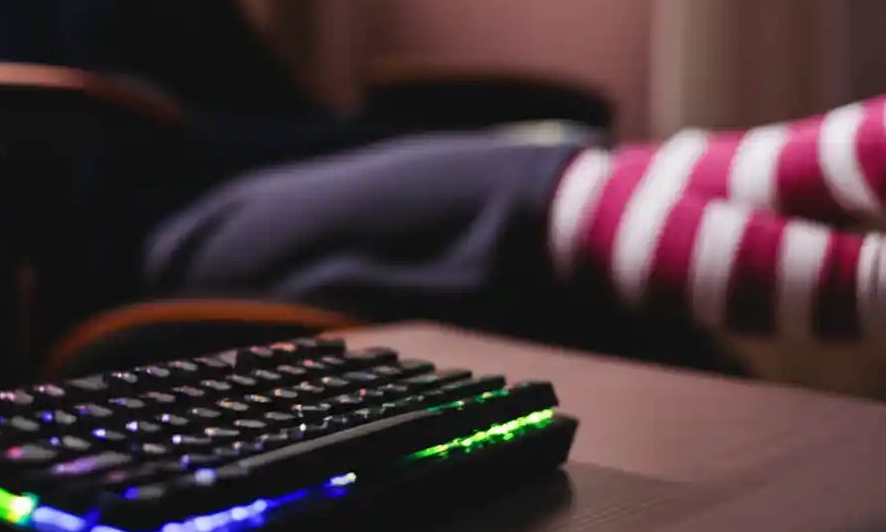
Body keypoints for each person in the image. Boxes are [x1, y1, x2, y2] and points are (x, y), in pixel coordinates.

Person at [147, 99, 886, 347]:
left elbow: (262, 92)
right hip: (178, 228)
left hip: (275, 172)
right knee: (553, 187)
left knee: (594, 173)